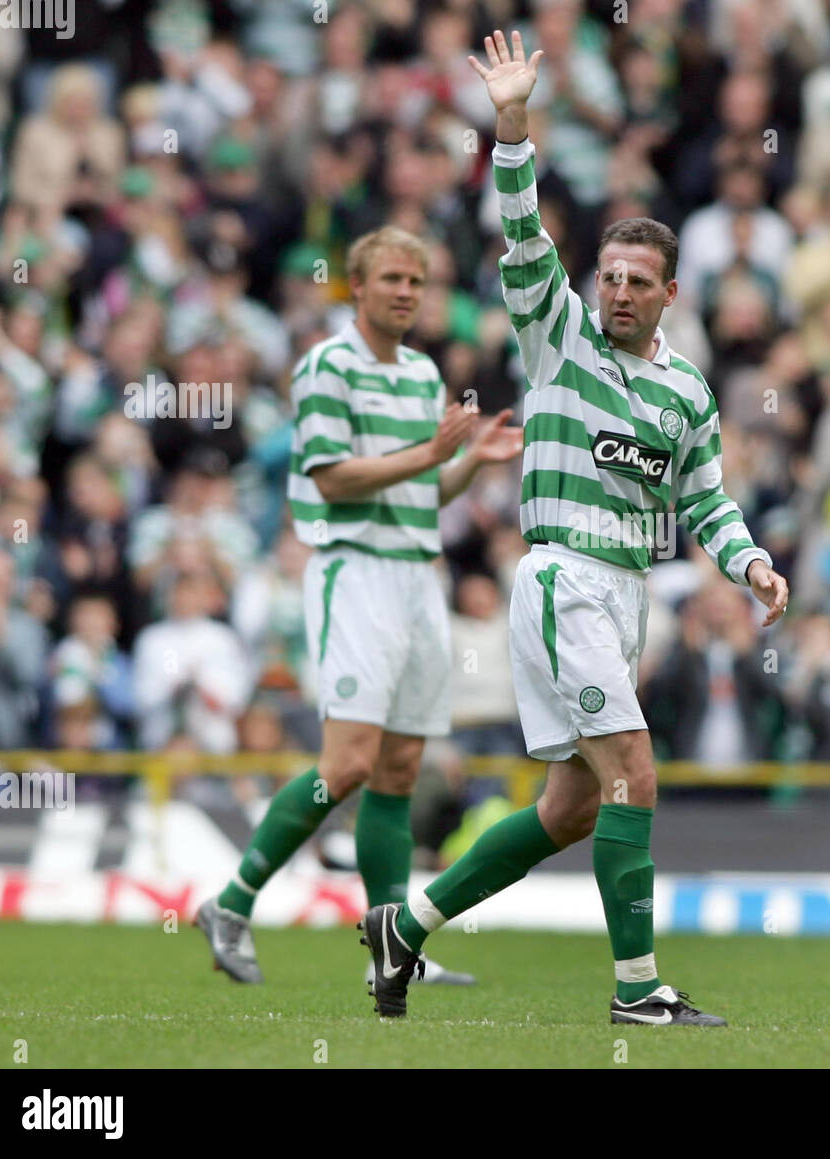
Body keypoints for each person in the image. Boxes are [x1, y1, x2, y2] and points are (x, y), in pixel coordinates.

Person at [357, 30, 788, 1028]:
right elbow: (519, 231)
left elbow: (705, 501)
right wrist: (513, 123)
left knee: (572, 806)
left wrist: (753, 563)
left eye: (640, 281)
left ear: (670, 294)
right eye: (612, 274)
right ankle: (637, 990)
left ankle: (406, 924)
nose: (620, 290)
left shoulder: (686, 390)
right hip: (561, 580)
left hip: (624, 593)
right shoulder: (556, 333)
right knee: (634, 769)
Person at [194, 224, 523, 986]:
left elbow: (422, 486)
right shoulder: (325, 367)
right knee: (344, 764)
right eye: (393, 279)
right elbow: (334, 477)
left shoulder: (420, 371)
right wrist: (433, 455)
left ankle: (391, 950)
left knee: (399, 770)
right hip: (355, 573)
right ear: (358, 284)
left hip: (416, 578)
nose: (408, 292)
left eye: (418, 280)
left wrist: (469, 462)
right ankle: (232, 902)